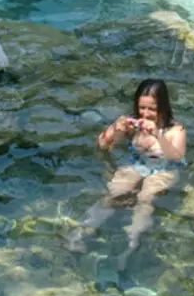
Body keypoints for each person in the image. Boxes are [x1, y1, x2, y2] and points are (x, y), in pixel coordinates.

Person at [66, 79, 187, 263]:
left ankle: (131, 245)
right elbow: (101, 146)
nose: (145, 113)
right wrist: (115, 129)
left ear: (163, 107)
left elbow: (176, 157)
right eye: (142, 108)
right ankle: (80, 233)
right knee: (116, 193)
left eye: (152, 109)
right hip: (137, 163)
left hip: (165, 169)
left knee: (146, 199)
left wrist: (158, 134)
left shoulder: (176, 130)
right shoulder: (133, 125)